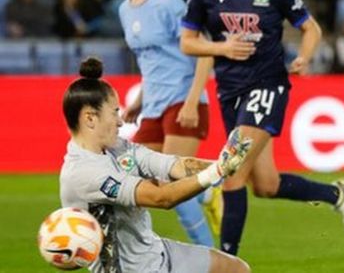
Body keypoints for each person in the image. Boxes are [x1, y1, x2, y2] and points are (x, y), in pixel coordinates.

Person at [180, 0, 344, 256]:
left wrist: (304, 58)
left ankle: (227, 261)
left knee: (231, 173)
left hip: (268, 85)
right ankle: (336, 195)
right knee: (266, 185)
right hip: (229, 92)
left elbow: (312, 28)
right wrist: (222, 47)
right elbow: (188, 42)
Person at [59, 57, 252, 273]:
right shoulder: (85, 173)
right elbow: (161, 198)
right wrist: (214, 173)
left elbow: (172, 165)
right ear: (90, 118)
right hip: (132, 270)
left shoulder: (117, 147)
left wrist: (223, 163)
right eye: (114, 112)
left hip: (156, 251)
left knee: (236, 269)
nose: (121, 121)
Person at [115, 0, 221, 247]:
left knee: (175, 192)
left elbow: (205, 53)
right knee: (139, 181)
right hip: (154, 106)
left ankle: (210, 262)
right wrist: (139, 101)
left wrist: (191, 102)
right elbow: (153, 61)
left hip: (184, 102)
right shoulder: (124, 9)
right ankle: (209, 192)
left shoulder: (168, 4)